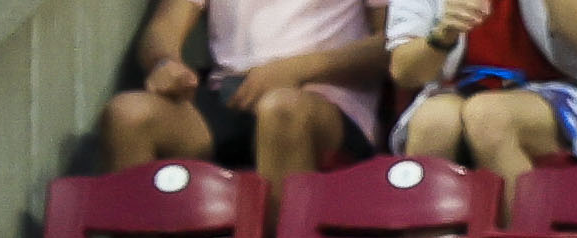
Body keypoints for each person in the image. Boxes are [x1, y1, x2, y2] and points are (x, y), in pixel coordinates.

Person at [100, 0, 388, 188]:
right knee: (128, 115)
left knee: (280, 110)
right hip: (230, 96)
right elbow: (164, 27)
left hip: (326, 102)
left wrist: (296, 70)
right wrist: (165, 63)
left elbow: (391, 45)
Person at [385, 0, 577, 207]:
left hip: (576, 90)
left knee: (488, 117)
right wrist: (442, 36)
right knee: (432, 124)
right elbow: (406, 73)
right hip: (463, 88)